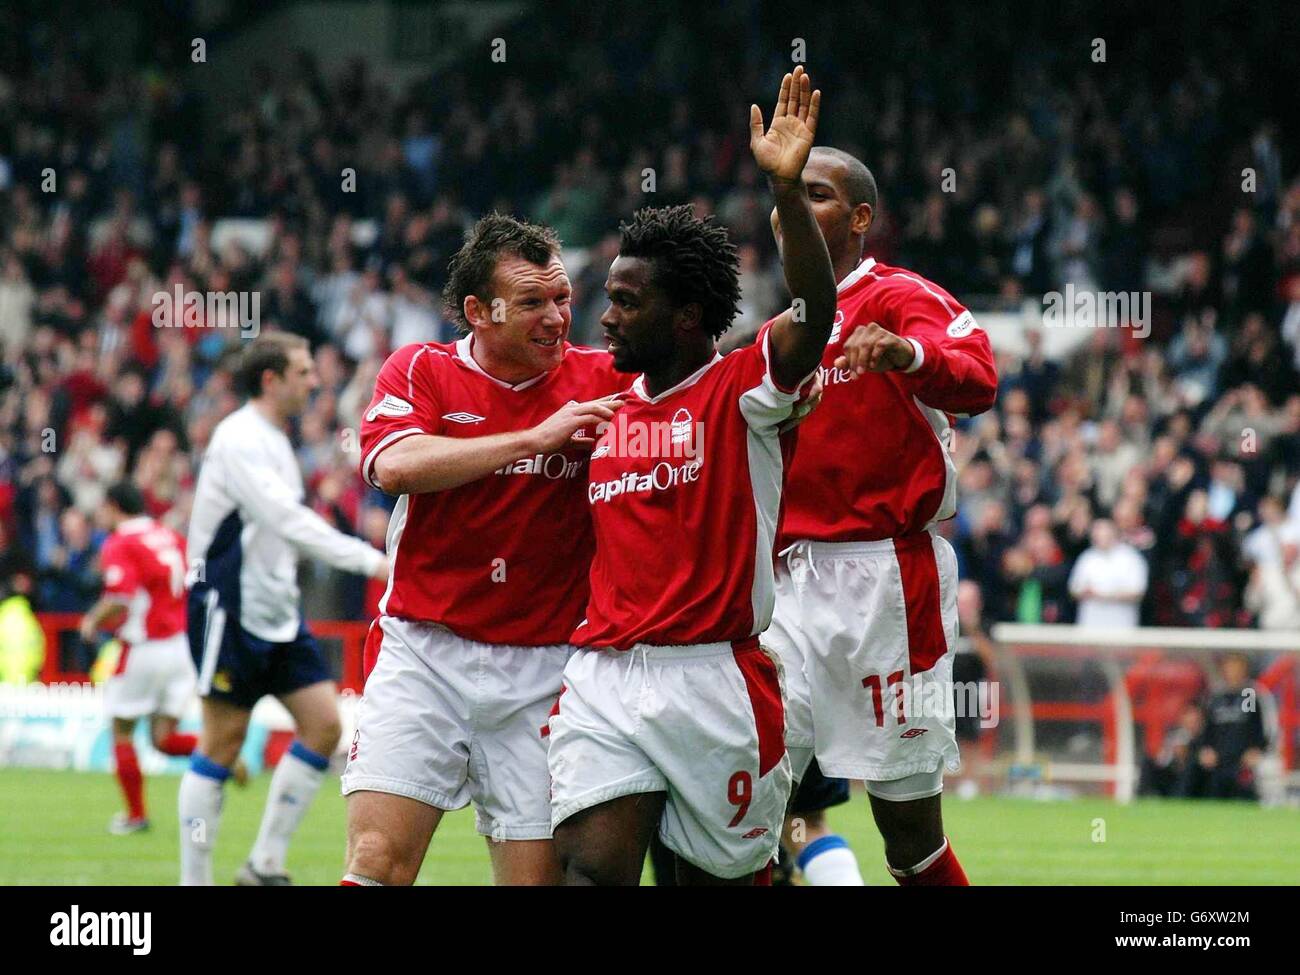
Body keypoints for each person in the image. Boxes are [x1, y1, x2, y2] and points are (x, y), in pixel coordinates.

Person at [548, 66, 836, 885]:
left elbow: (817, 312)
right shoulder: (604, 398)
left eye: (628, 302)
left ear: (683, 317)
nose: (607, 315)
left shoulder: (742, 389)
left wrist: (785, 192)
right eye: (608, 295)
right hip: (605, 675)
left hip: (715, 681)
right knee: (588, 874)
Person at [340, 214, 627, 886]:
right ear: (478, 310)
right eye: (532, 302)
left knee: (534, 881)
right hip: (424, 654)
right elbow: (396, 466)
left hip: (546, 667)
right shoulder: (421, 369)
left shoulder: (607, 379)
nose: (557, 317)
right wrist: (536, 438)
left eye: (561, 298)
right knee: (378, 861)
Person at [763, 143, 997, 886]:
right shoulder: (785, 329)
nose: (795, 205)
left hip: (886, 585)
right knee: (737, 806)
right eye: (787, 193)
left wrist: (908, 355)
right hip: (786, 588)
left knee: (909, 837)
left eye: (819, 194)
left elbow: (980, 376)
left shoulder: (897, 296)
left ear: (861, 218)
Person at [180, 333, 389, 886]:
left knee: (322, 727)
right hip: (229, 609)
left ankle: (263, 863)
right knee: (221, 743)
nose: (315, 381)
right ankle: (194, 879)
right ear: (270, 380)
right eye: (303, 372)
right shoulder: (238, 439)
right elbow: (286, 521)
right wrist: (372, 561)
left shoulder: (275, 438)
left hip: (277, 611)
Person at [79, 482, 199, 834]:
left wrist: (91, 621)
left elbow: (120, 597)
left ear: (113, 506)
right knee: (163, 738)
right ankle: (219, 752)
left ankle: (135, 815)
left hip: (145, 646)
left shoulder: (121, 543)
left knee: (121, 730)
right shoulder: (167, 534)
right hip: (181, 646)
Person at [1068, 518, 1149, 629]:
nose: (1099, 536)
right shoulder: (1087, 557)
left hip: (1122, 626)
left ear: (1114, 533)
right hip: (1090, 626)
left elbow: (1138, 591)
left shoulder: (1131, 557)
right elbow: (1074, 589)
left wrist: (1104, 595)